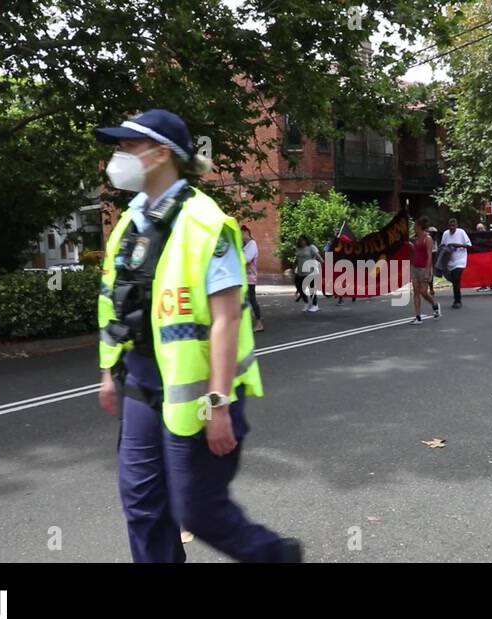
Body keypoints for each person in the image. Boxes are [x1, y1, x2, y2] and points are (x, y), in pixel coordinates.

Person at [94, 108, 300, 563]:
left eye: (128, 147)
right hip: (140, 383)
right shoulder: (128, 224)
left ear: (160, 154)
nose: (118, 157)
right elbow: (114, 302)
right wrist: (110, 370)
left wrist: (218, 403)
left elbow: (227, 319)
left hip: (197, 391)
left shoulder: (207, 225)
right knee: (143, 508)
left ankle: (276, 556)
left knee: (198, 510)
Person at [409, 217, 441, 325]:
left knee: (423, 292)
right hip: (414, 267)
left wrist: (428, 271)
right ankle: (418, 317)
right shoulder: (414, 238)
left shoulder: (427, 238)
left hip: (424, 268)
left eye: (415, 226)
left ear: (419, 227)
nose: (413, 228)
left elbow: (429, 256)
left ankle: (435, 305)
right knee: (416, 292)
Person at [440, 218, 471, 309]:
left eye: (453, 226)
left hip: (460, 260)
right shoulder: (446, 234)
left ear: (457, 226)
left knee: (456, 278)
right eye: (450, 226)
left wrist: (457, 245)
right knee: (454, 280)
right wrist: (444, 248)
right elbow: (442, 244)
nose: (451, 228)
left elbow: (469, 245)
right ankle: (456, 298)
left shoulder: (461, 232)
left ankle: (457, 300)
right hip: (450, 261)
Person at [241, 226, 263, 332]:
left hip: (249, 277)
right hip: (242, 278)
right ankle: (245, 323)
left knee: (252, 300)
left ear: (246, 232)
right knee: (243, 301)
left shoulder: (252, 244)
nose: (240, 236)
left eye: (241, 233)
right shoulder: (243, 245)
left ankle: (259, 323)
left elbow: (247, 260)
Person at [294, 235, 324, 313]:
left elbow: (319, 257)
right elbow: (297, 260)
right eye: (300, 241)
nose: (302, 242)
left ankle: (315, 305)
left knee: (311, 289)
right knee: (299, 288)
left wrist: (323, 264)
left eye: (303, 240)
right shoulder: (298, 249)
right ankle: (306, 303)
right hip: (300, 271)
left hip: (310, 272)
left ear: (306, 240)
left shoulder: (311, 247)